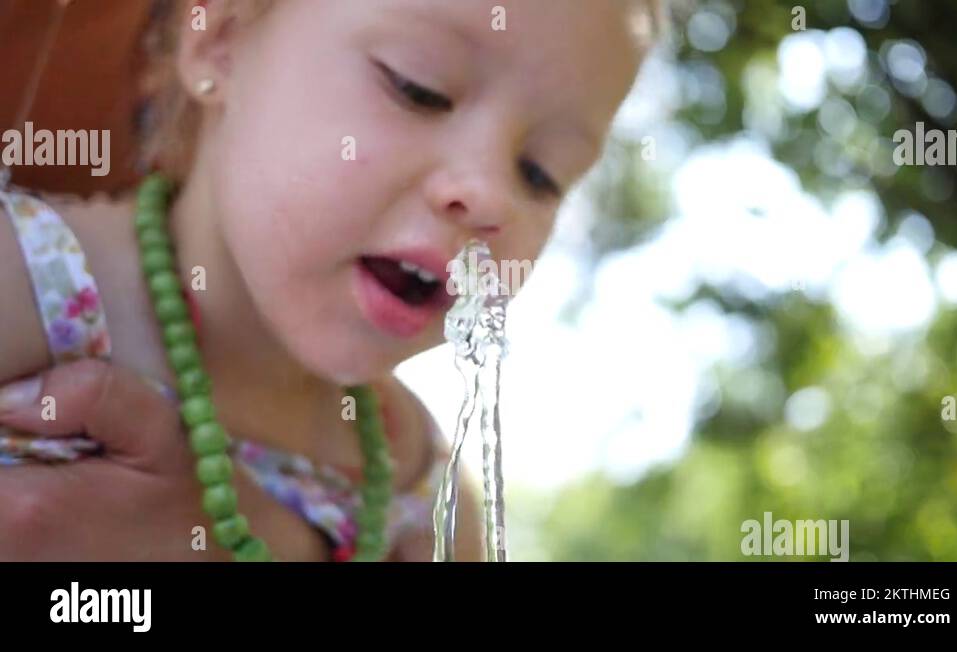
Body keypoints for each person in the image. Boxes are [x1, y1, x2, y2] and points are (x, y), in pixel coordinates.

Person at [0, 0, 657, 560]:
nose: (490, 197)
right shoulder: (30, 279)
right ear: (221, 39)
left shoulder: (421, 493)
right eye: (418, 88)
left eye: (541, 174)